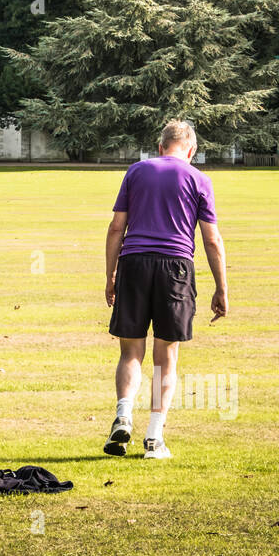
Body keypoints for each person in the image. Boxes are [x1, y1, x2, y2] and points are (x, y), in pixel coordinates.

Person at [103, 120, 227, 459]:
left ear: (160, 147)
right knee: (166, 359)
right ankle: (154, 439)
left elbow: (116, 228)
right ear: (191, 150)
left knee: (130, 353)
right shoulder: (200, 179)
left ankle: (123, 414)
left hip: (134, 262)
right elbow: (211, 239)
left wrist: (111, 275)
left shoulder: (136, 171)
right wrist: (221, 288)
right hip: (175, 267)